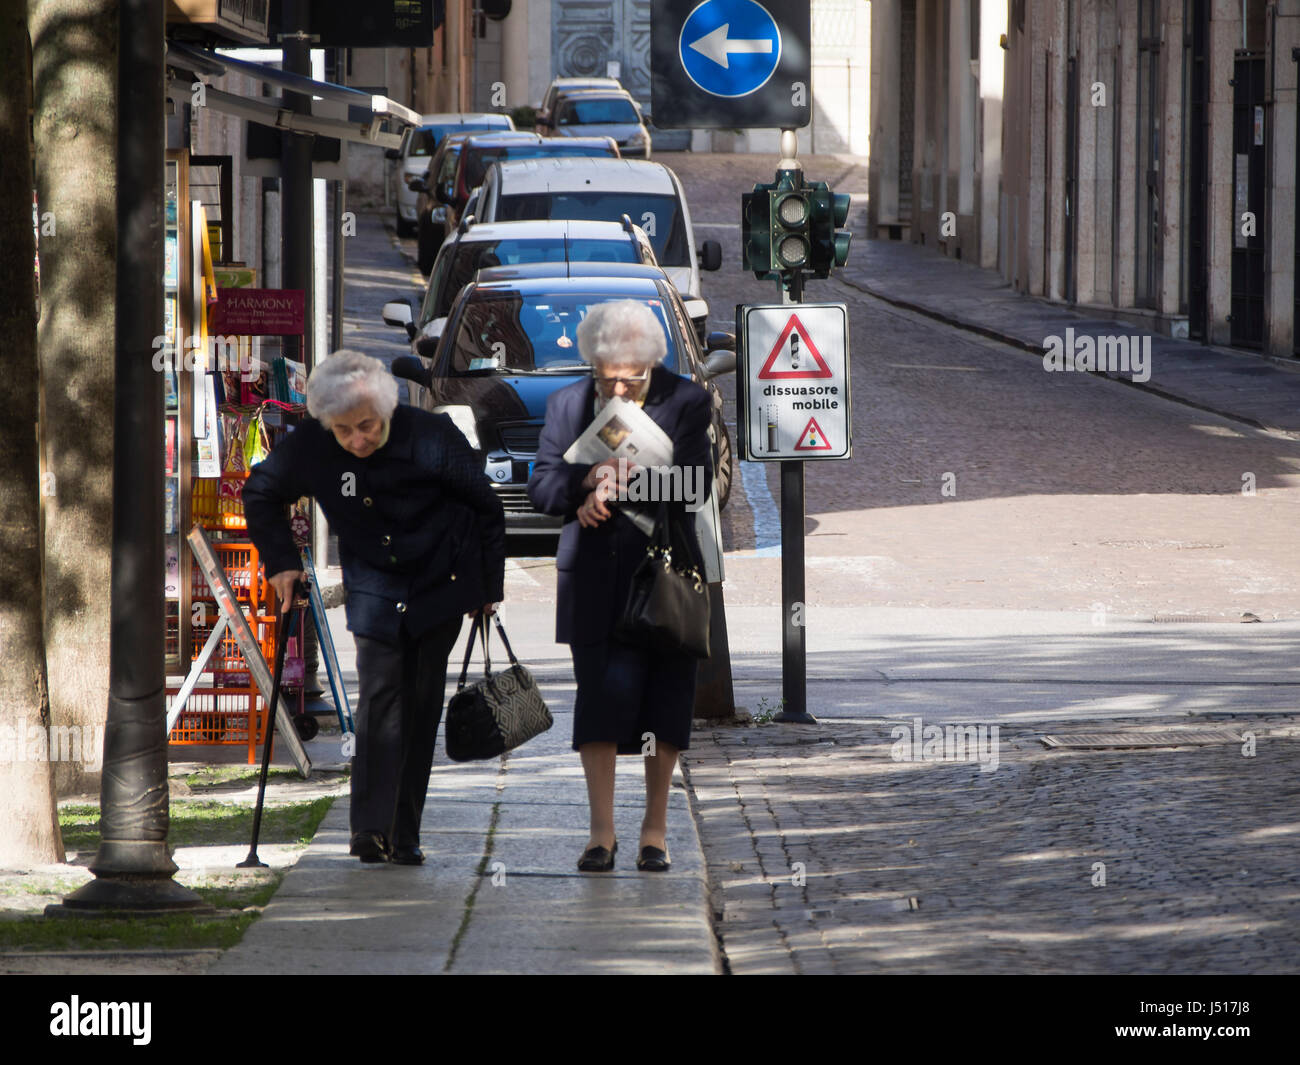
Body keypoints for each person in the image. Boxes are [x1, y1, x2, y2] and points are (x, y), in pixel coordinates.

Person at [243, 350, 505, 866]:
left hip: (438, 583)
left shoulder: (432, 436)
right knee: (380, 703)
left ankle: (405, 833)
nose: (357, 440)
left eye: (367, 427)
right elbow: (260, 491)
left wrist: (485, 587)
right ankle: (368, 829)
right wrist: (280, 562)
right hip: (375, 589)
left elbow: (486, 507)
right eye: (344, 431)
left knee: (422, 704)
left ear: (386, 412)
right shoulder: (313, 447)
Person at [527, 300, 712, 873]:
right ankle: (600, 834)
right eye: (609, 379)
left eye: (633, 379)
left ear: (653, 363)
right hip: (595, 578)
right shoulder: (567, 404)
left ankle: (654, 831)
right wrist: (585, 484)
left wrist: (628, 482)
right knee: (601, 704)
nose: (621, 390)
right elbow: (541, 484)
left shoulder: (687, 400)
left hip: (665, 576)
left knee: (665, 704)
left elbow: (697, 483)